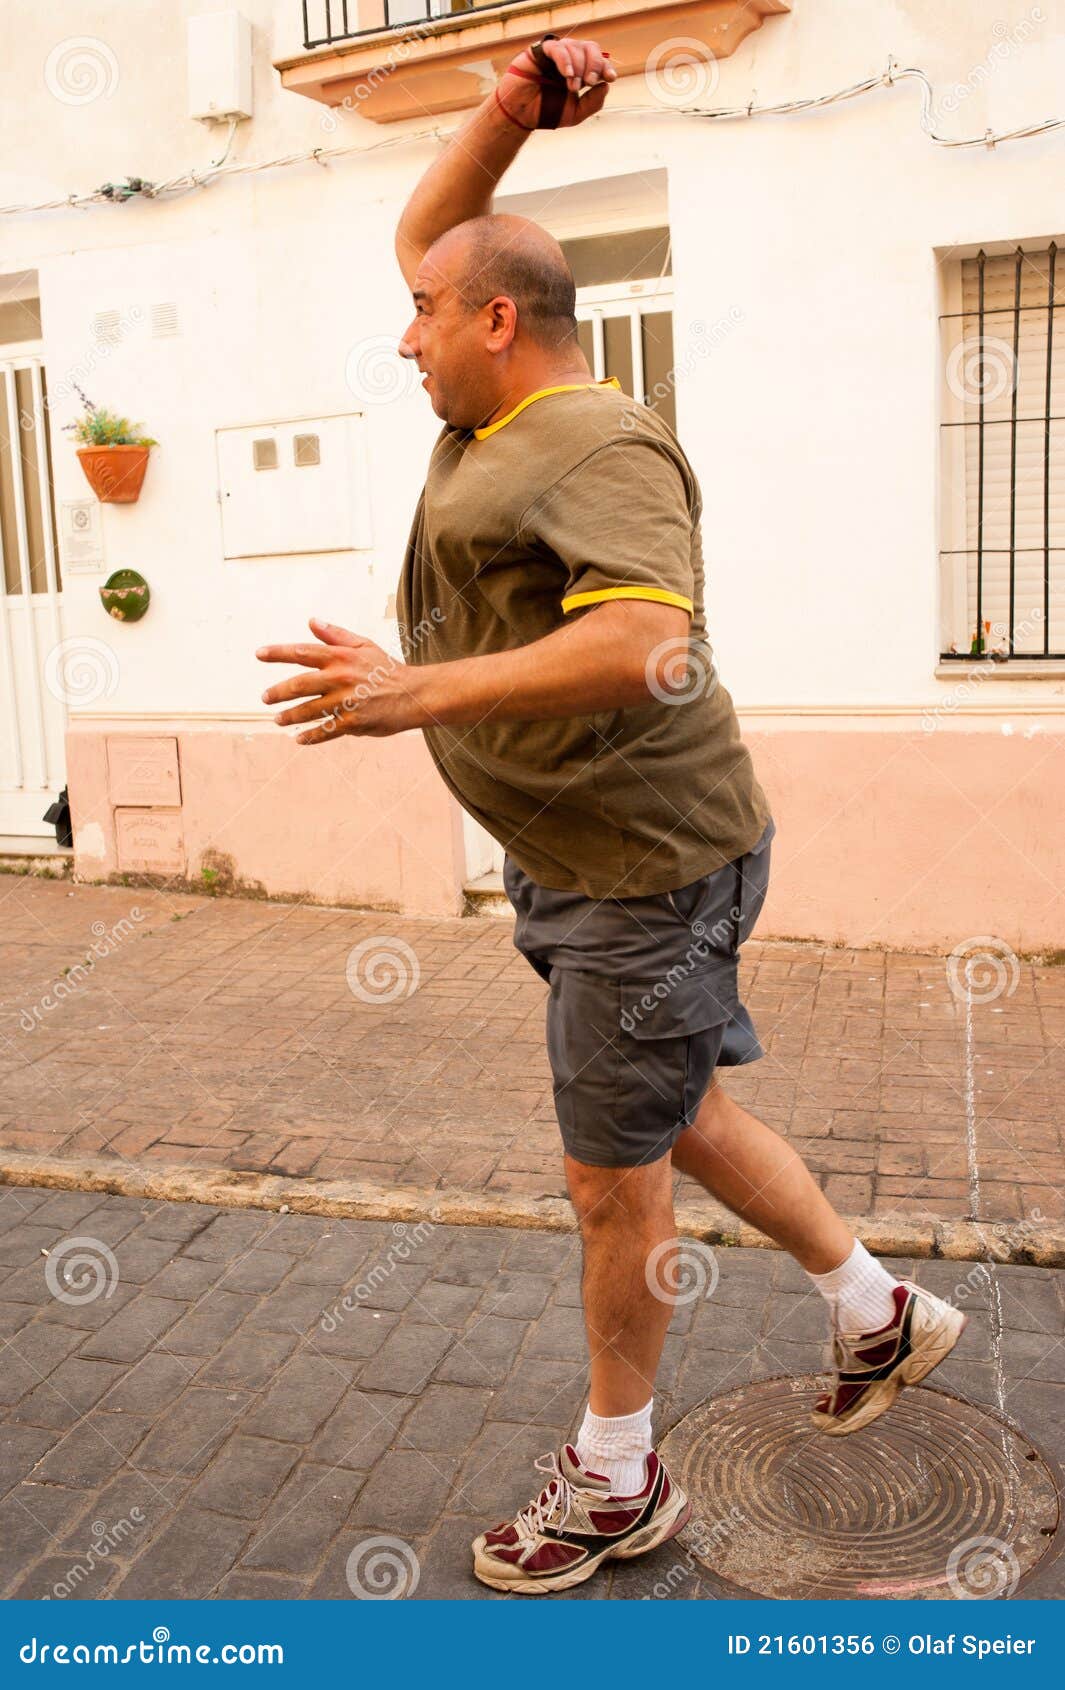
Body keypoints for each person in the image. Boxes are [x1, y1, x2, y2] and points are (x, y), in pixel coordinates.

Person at [257, 33, 968, 1596]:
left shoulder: (592, 438)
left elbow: (651, 640)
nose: (405, 336)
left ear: (497, 322)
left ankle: (613, 1480)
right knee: (680, 1112)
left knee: (609, 1180)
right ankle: (874, 1308)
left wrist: (412, 696)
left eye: (426, 316)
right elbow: (430, 234)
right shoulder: (497, 414)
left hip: (641, 871)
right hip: (598, 861)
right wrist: (508, 107)